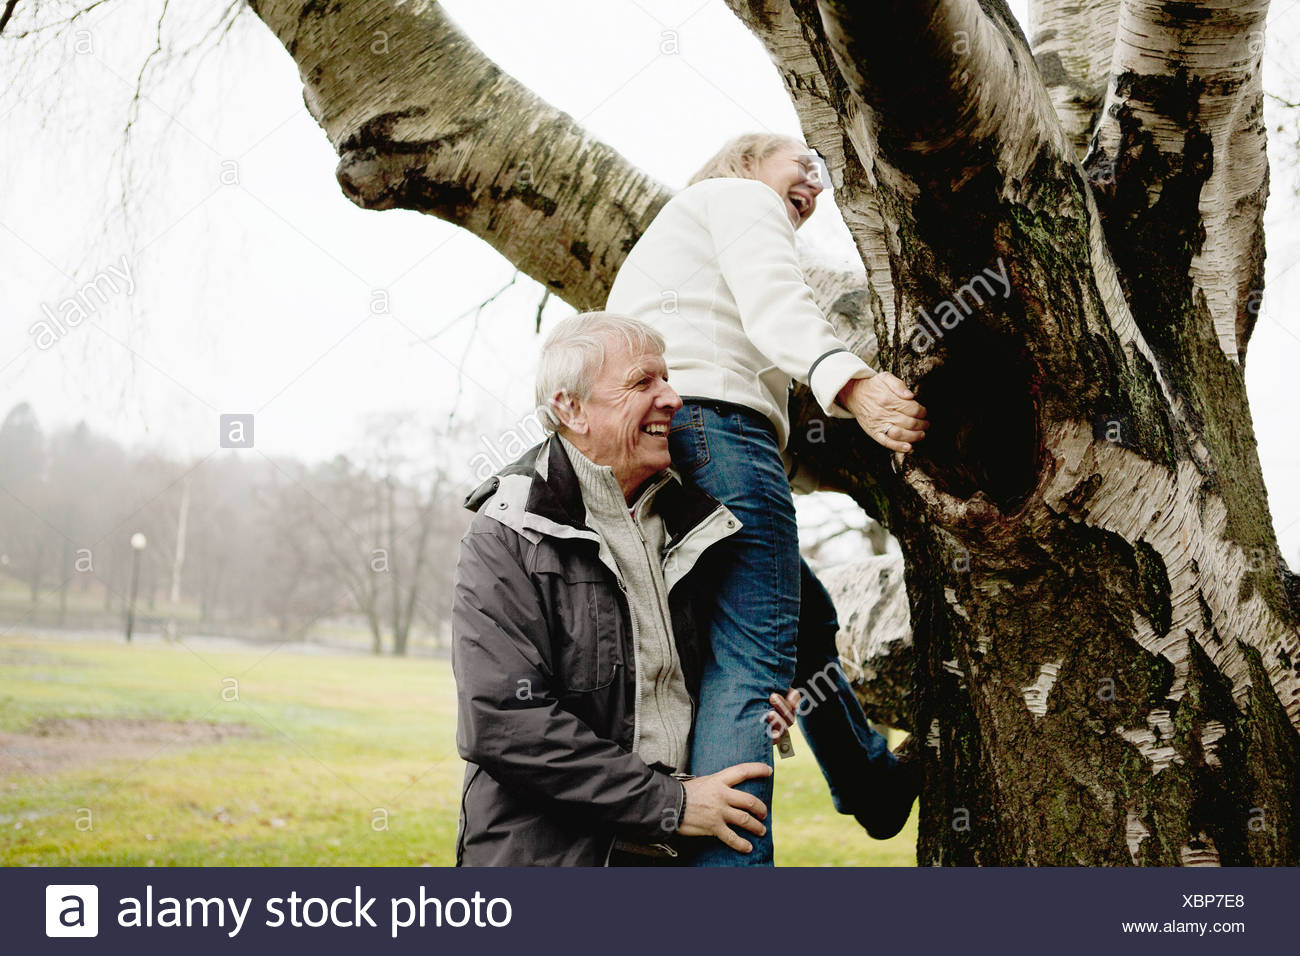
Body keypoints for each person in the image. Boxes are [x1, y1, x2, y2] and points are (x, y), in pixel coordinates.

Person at [606, 133, 928, 866]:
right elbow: (775, 304)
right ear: (746, 163)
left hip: (659, 449)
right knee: (751, 664)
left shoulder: (674, 244)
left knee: (803, 620)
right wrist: (853, 383)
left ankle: (868, 781)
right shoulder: (740, 197)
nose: (814, 182)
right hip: (719, 430)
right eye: (801, 164)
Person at [452, 311, 799, 866]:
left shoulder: (700, 523)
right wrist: (673, 804)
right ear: (571, 408)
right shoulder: (507, 534)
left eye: (667, 380)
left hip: (671, 861)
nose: (672, 400)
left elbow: (703, 672)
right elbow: (503, 722)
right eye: (644, 382)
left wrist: (759, 700)